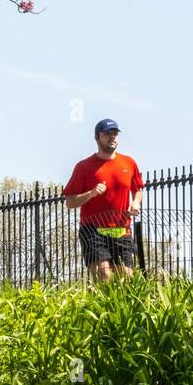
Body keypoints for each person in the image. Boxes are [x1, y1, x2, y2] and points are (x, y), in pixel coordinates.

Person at [62, 119, 144, 282]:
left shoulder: (129, 162)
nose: (112, 137)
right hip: (93, 230)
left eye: (114, 133)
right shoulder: (84, 167)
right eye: (107, 134)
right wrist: (91, 194)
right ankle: (102, 307)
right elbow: (70, 202)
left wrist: (135, 202)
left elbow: (138, 189)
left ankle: (122, 308)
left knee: (126, 279)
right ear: (97, 138)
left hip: (122, 229)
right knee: (104, 276)